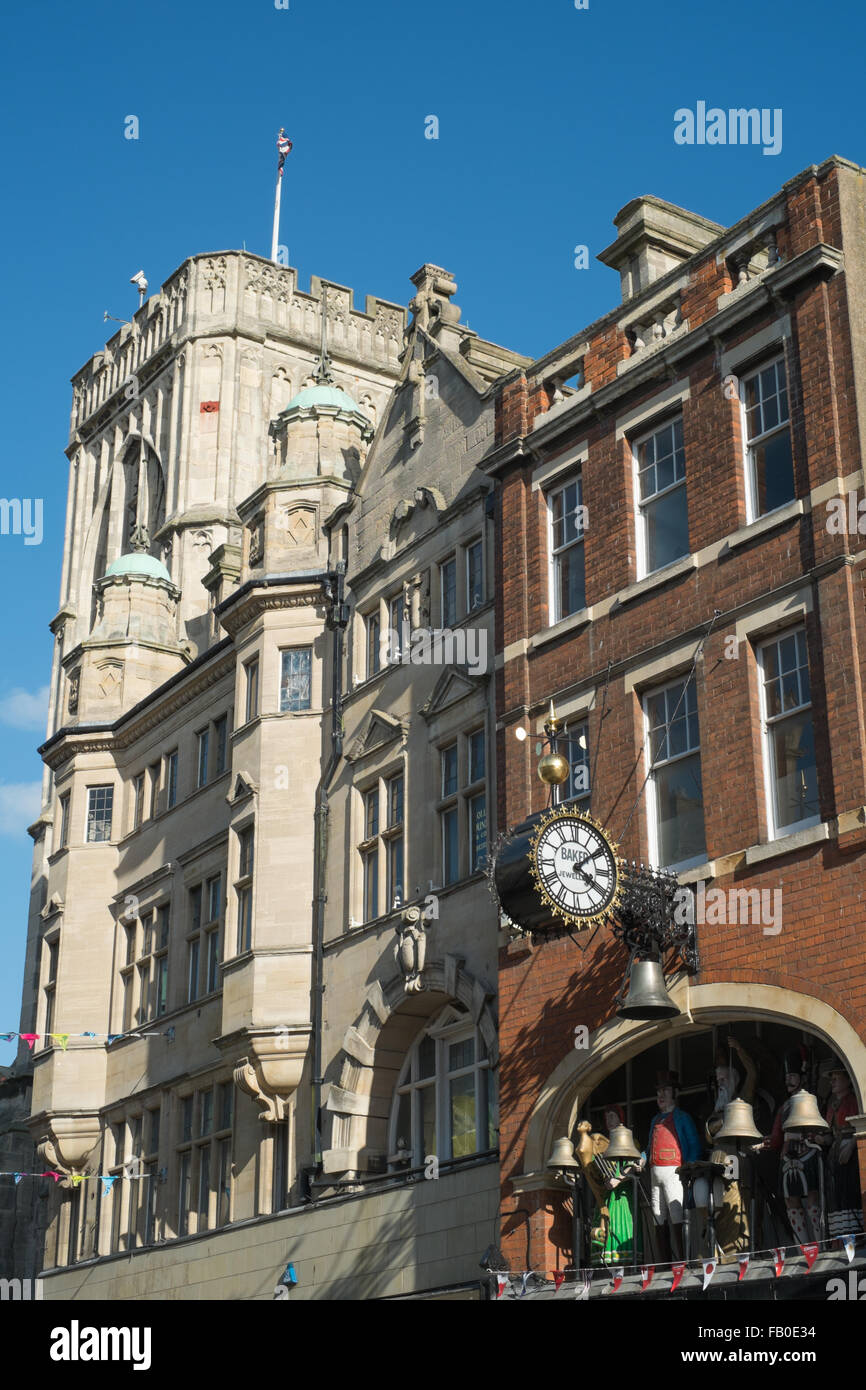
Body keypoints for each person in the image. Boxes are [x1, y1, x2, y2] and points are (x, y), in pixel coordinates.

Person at [639, 1071, 702, 1261]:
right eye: (659, 1091)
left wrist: (688, 1169)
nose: (661, 1095)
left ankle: (683, 1259)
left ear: (675, 1093)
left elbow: (693, 1145)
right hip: (655, 1174)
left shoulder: (682, 1118)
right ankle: (664, 1263)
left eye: (665, 1090)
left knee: (677, 1215)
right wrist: (642, 1158)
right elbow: (650, 1146)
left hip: (675, 1172)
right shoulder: (654, 1121)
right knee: (658, 1218)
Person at [824, 1063, 863, 1239]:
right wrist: (820, 1139)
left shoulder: (853, 1101)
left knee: (849, 1193)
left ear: (848, 1080)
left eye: (836, 1078)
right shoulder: (832, 1106)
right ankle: (840, 1239)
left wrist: (852, 1144)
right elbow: (830, 1135)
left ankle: (854, 1234)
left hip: (849, 1153)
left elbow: (860, 1128)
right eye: (831, 1079)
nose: (832, 1082)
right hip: (835, 1154)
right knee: (836, 1195)